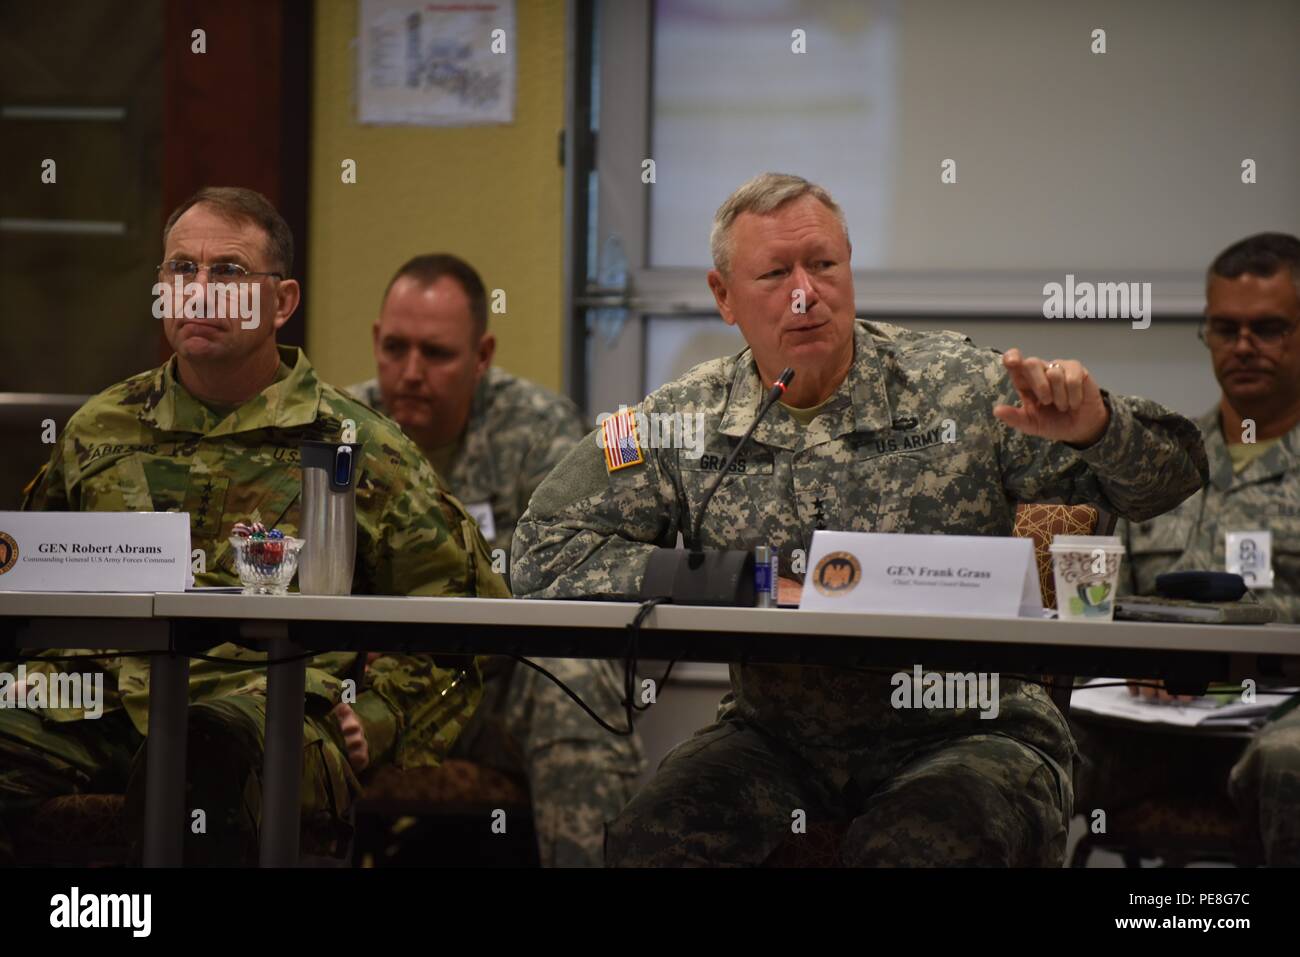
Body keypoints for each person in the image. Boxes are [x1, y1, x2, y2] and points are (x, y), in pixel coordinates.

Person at [511, 172, 1208, 866]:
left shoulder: (960, 388)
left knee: (914, 849)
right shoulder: (681, 420)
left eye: (822, 265)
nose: (805, 293)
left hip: (968, 730)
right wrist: (739, 578)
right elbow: (542, 553)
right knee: (652, 837)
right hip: (776, 740)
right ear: (723, 296)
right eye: (775, 273)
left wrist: (1098, 428)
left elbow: (1172, 475)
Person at [1, 187, 508, 866]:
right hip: (100, 706)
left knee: (205, 758)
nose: (200, 292)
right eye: (182, 269)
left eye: (230, 273)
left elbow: (474, 619)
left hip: (266, 718)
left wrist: (381, 717)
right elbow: (21, 583)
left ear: (283, 301)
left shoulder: (354, 445)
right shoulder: (101, 430)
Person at [349, 253, 644, 866]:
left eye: (437, 354)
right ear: (376, 339)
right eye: (395, 347)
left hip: (490, 690)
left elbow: (567, 579)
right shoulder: (343, 434)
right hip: (367, 683)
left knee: (578, 676)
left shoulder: (536, 432)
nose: (409, 372)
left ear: (481, 356)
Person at [1073, 232, 1300, 865]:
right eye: (1225, 328)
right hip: (1145, 714)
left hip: (1283, 714)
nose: (1243, 347)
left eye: (1269, 328)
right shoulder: (1160, 460)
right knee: (1022, 750)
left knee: (1293, 766)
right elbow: (1097, 603)